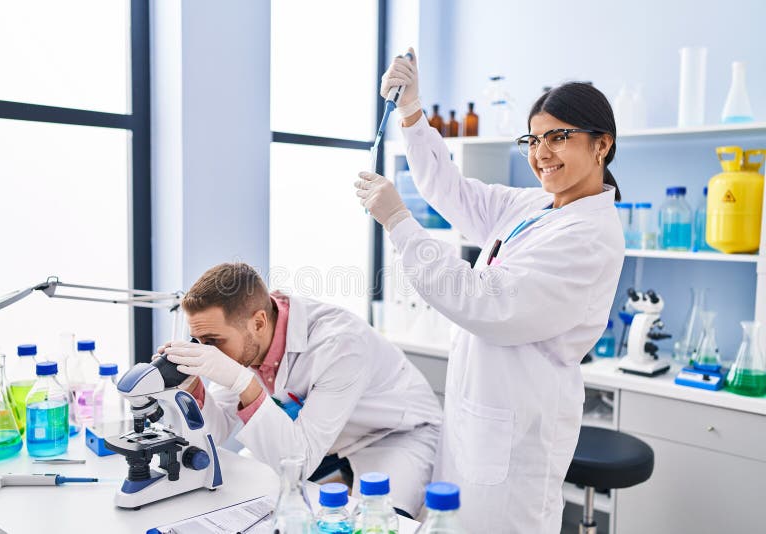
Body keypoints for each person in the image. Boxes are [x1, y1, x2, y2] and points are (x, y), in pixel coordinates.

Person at [354, 48, 625, 532]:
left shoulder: (589, 239)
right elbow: (450, 190)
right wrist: (412, 113)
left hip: (518, 436)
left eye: (558, 137)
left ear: (601, 145)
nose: (541, 153)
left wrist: (398, 221)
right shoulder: (536, 207)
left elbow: (487, 302)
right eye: (534, 139)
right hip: (478, 417)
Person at [161, 262, 442, 516]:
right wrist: (193, 388)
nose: (207, 351)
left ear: (258, 322)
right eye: (197, 341)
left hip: (393, 435)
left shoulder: (340, 344)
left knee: (377, 521)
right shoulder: (241, 342)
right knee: (249, 493)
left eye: (211, 341)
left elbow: (301, 462)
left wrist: (243, 383)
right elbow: (218, 430)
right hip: (322, 438)